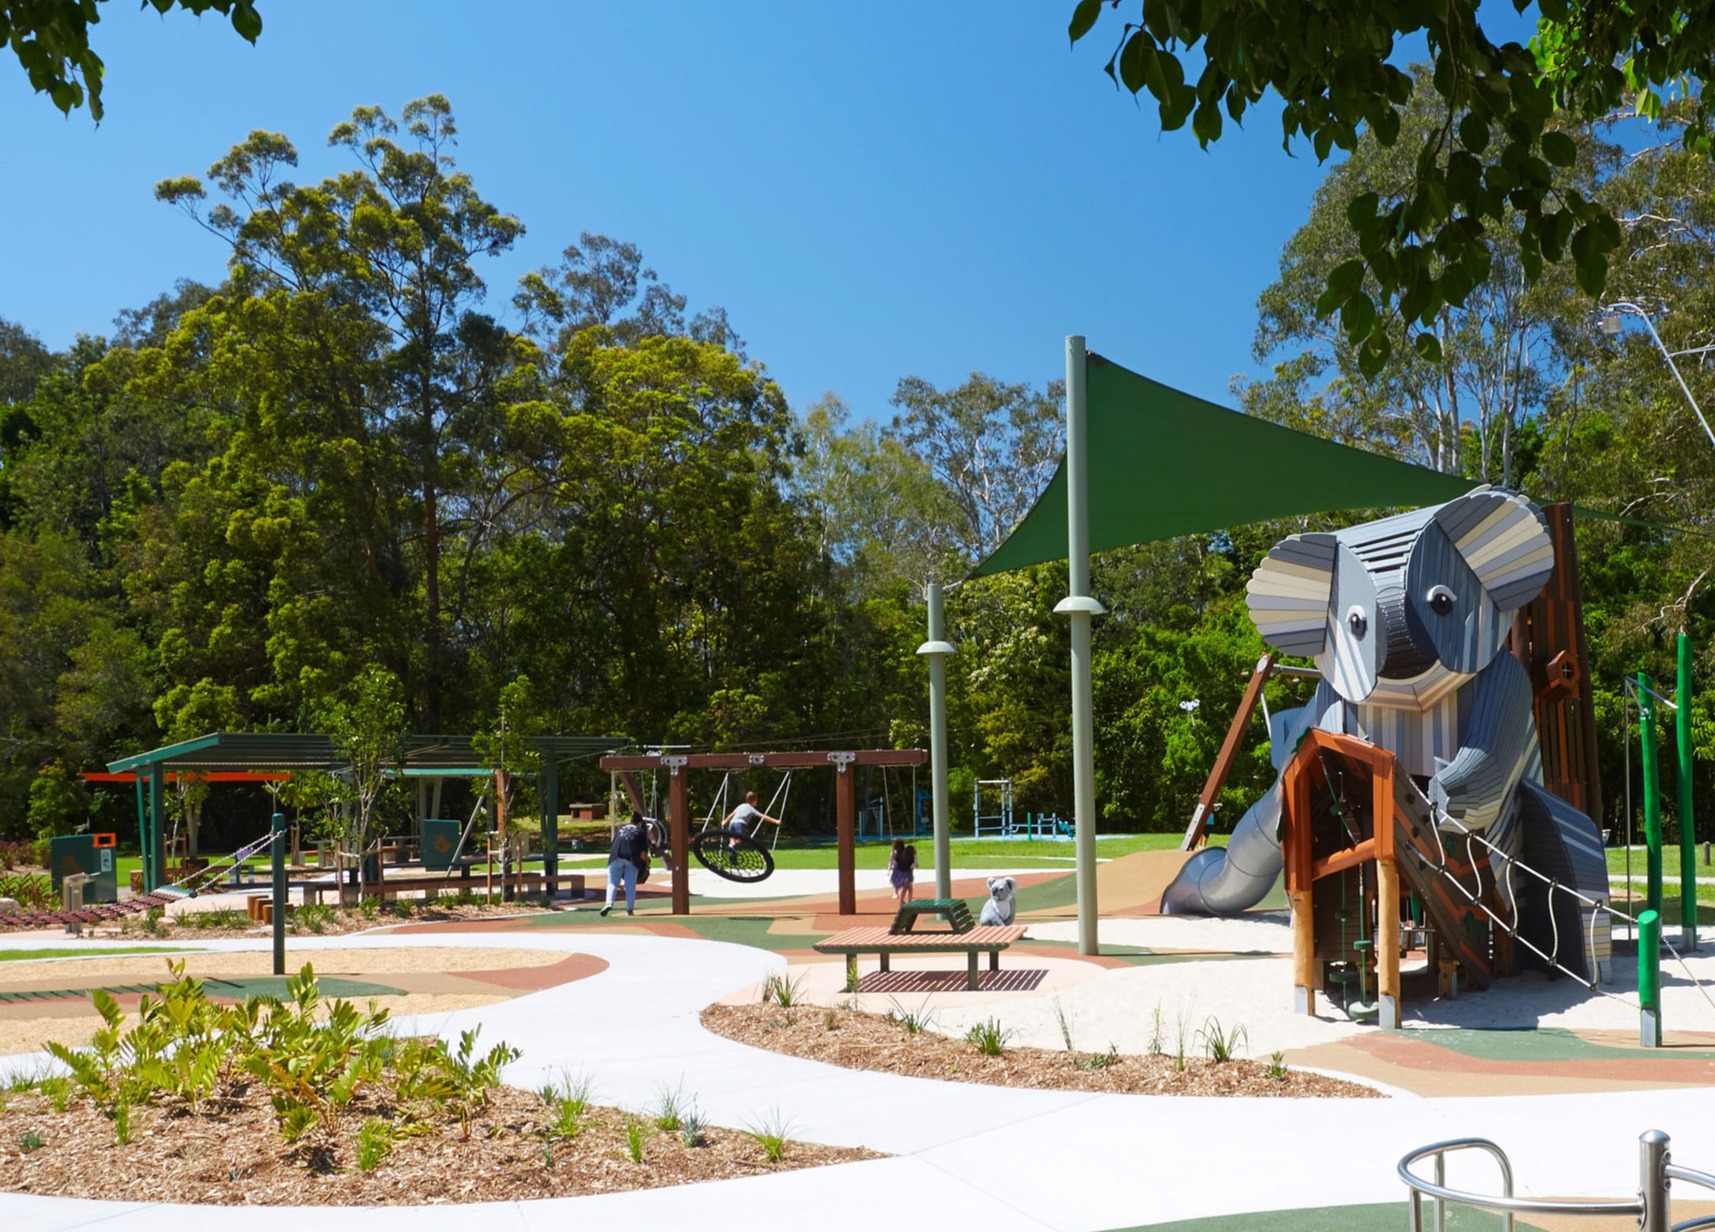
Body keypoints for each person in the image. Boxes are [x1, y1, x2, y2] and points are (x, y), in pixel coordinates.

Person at [602, 811, 651, 917]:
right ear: (640, 822)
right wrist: (644, 865)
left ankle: (608, 903)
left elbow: (614, 843)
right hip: (632, 858)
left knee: (612, 882)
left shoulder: (620, 828)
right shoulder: (641, 832)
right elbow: (643, 853)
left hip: (616, 855)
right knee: (630, 885)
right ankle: (629, 910)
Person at [722, 790, 781, 859]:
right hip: (740, 824)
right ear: (754, 801)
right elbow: (763, 817)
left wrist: (725, 822)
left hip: (732, 823)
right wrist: (776, 821)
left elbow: (731, 815)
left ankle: (732, 854)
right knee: (739, 840)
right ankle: (731, 849)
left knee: (732, 840)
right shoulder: (751, 809)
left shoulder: (741, 806)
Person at [888, 838, 916, 906]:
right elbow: (913, 862)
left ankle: (902, 900)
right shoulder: (907, 851)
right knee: (909, 887)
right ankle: (908, 901)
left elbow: (892, 862)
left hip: (900, 872)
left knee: (906, 887)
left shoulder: (895, 853)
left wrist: (891, 866)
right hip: (908, 871)